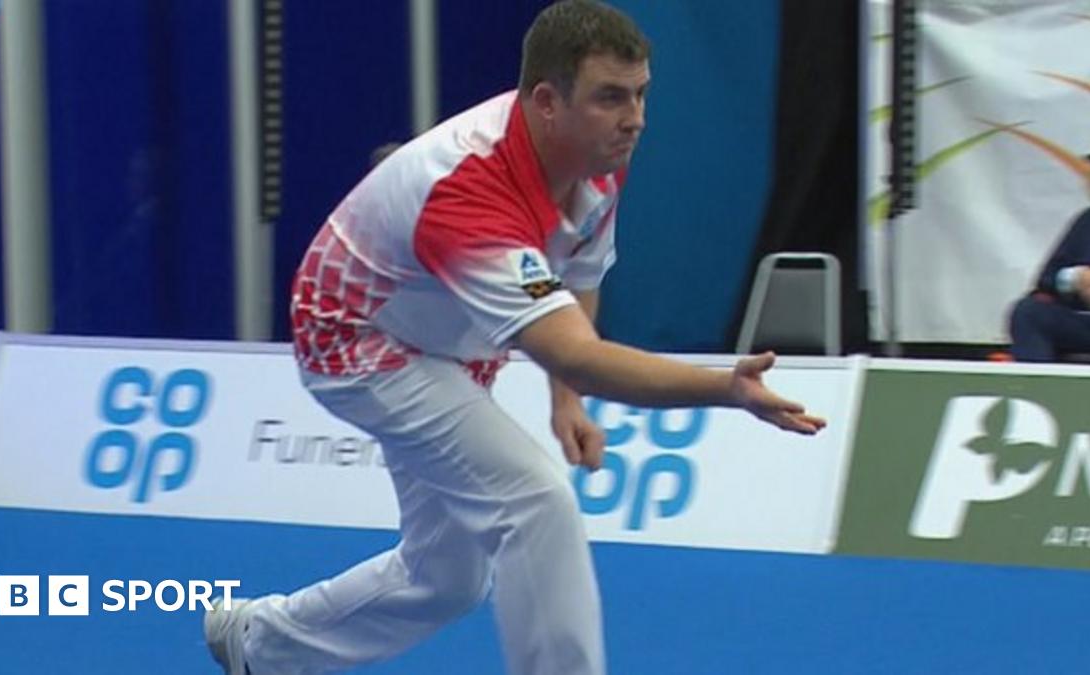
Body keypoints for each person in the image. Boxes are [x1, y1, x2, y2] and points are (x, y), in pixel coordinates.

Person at [205, 2, 825, 673]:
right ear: (546, 101)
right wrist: (725, 387)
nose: (636, 117)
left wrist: (566, 401)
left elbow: (577, 270)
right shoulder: (471, 191)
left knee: (448, 577)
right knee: (536, 503)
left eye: (641, 94)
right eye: (612, 97)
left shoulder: (596, 152)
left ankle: (260, 644)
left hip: (448, 333)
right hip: (357, 337)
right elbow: (575, 353)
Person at [1009, 121, 1090, 363]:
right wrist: (1076, 278)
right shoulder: (1089, 221)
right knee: (1028, 313)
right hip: (1085, 319)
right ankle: (1037, 394)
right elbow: (1046, 281)